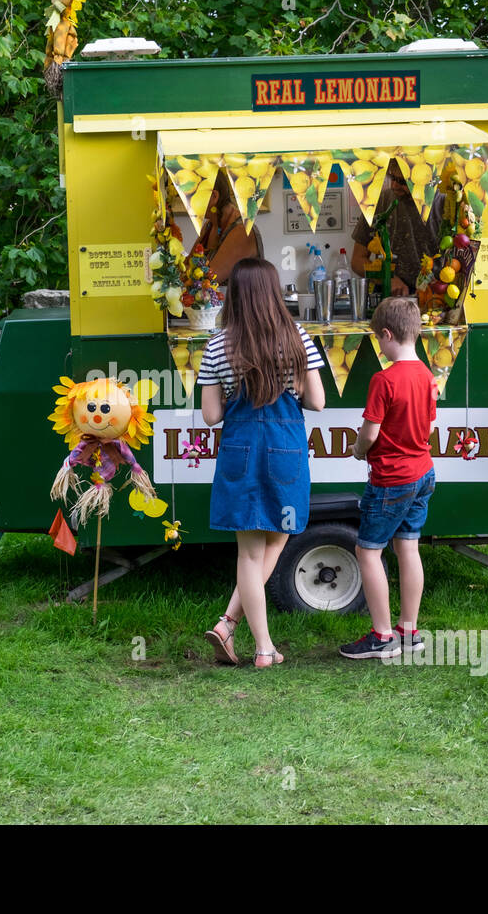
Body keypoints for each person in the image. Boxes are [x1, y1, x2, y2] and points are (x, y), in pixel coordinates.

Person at [200, 258, 326, 668]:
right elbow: (317, 402)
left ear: (234, 294)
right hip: (284, 447)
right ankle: (263, 647)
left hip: (241, 450)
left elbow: (212, 416)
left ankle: (231, 626)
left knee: (253, 552)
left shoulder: (217, 344)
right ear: (274, 292)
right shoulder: (296, 337)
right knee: (281, 532)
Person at [340, 296, 438, 659]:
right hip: (424, 471)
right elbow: (429, 425)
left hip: (392, 477)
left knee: (367, 551)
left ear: (386, 334)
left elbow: (370, 432)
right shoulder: (428, 376)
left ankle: (381, 636)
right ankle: (409, 631)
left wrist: (358, 450)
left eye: (377, 341)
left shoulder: (384, 379)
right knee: (408, 547)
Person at [349, 163, 443, 297]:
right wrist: (387, 279)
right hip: (391, 300)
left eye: (402, 181)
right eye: (392, 178)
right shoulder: (381, 202)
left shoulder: (445, 205)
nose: (394, 186)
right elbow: (357, 260)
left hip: (435, 300)